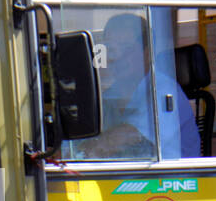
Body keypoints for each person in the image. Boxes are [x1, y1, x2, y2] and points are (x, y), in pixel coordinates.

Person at [71, 12, 200, 160]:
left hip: (167, 180)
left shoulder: (164, 91)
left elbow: (122, 138)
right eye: (110, 48)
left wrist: (77, 154)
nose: (115, 56)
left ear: (147, 53)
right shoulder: (111, 95)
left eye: (125, 47)